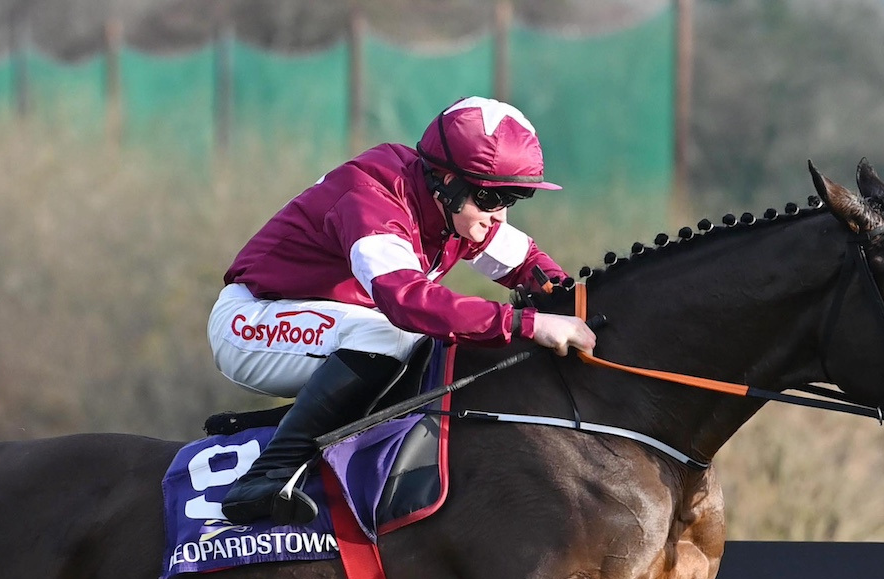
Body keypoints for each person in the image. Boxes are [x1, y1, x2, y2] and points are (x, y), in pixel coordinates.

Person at [210, 96, 597, 526]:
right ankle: (266, 478)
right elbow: (406, 301)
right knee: (398, 333)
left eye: (511, 199)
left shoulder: (453, 207)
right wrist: (525, 323)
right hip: (251, 321)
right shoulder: (371, 197)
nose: (499, 217)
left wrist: (575, 305)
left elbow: (530, 266)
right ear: (447, 182)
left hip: (322, 323)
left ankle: (290, 428)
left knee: (422, 342)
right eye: (491, 198)